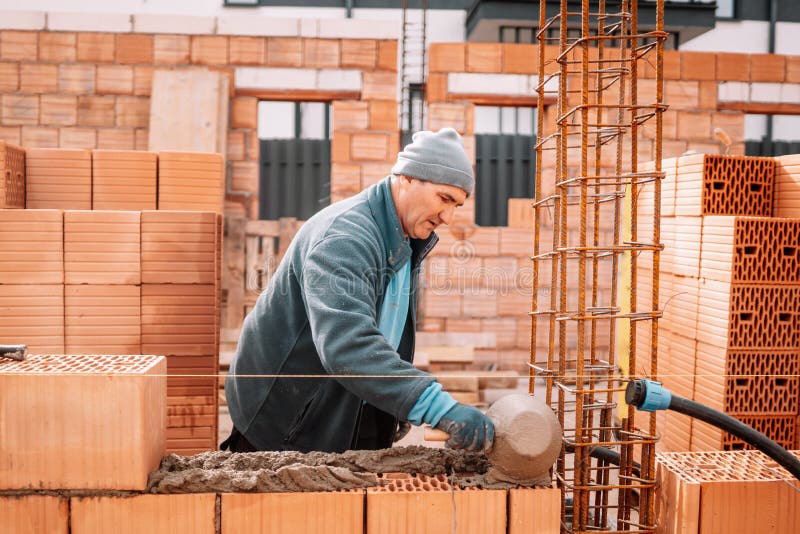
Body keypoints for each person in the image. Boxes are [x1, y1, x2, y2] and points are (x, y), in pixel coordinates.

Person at [223, 128, 494, 454]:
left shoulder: (403, 237)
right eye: (444, 198)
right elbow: (347, 344)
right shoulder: (346, 238)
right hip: (287, 416)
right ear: (407, 178)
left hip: (343, 398)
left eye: (457, 205)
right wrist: (435, 406)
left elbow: (385, 327)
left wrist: (394, 402)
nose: (448, 217)